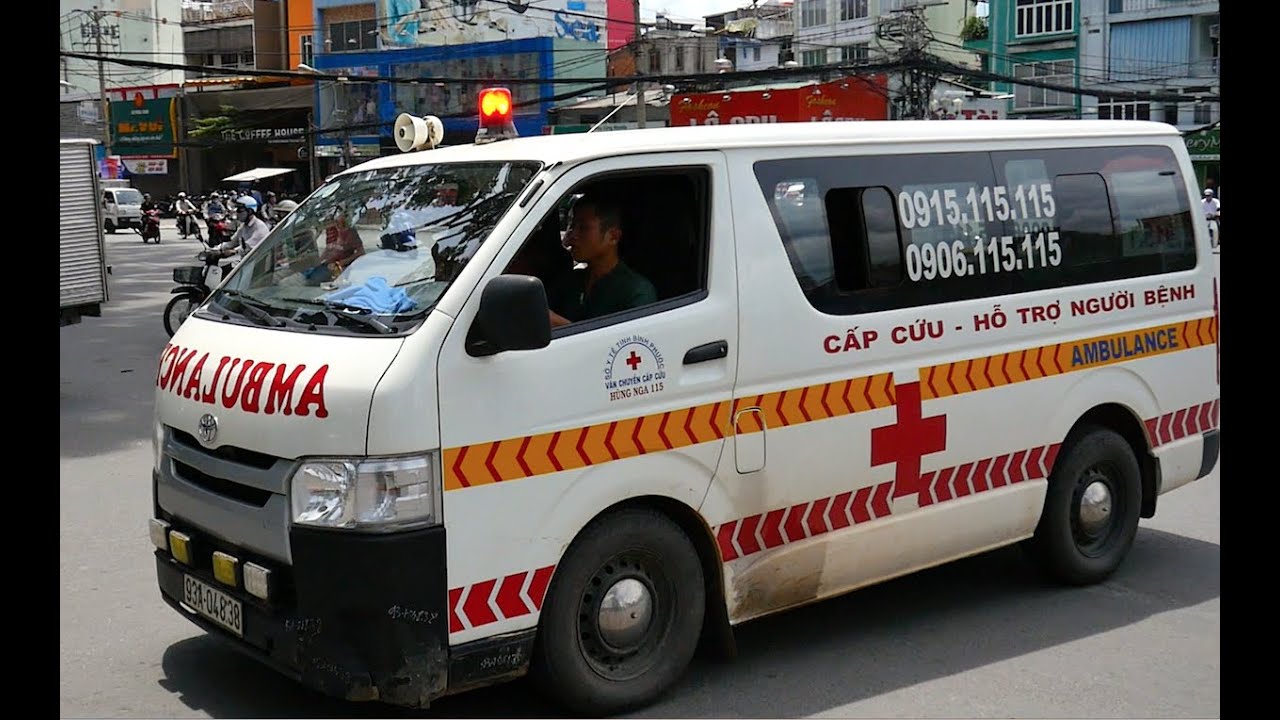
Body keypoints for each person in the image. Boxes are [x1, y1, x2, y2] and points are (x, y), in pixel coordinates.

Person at [544, 194, 657, 329]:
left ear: (613, 237)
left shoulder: (636, 292)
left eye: (583, 228)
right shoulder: (571, 281)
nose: (572, 235)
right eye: (572, 227)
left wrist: (561, 325)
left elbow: (632, 339)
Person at [216, 195, 271, 260]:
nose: (237, 213)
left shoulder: (259, 227)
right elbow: (232, 242)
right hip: (246, 261)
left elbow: (248, 247)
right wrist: (216, 249)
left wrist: (234, 251)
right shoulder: (243, 226)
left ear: (250, 211)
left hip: (258, 261)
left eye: (240, 210)